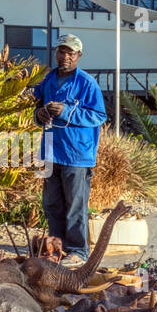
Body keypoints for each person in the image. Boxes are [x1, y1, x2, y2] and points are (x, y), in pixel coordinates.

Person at [32, 34, 108, 266]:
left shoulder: (87, 83)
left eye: (71, 53)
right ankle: (57, 248)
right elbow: (35, 106)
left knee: (75, 205)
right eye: (61, 52)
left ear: (79, 56)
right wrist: (40, 114)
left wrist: (65, 111)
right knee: (52, 203)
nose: (65, 57)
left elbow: (98, 115)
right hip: (50, 151)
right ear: (56, 53)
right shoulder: (47, 81)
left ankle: (78, 251)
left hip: (77, 154)